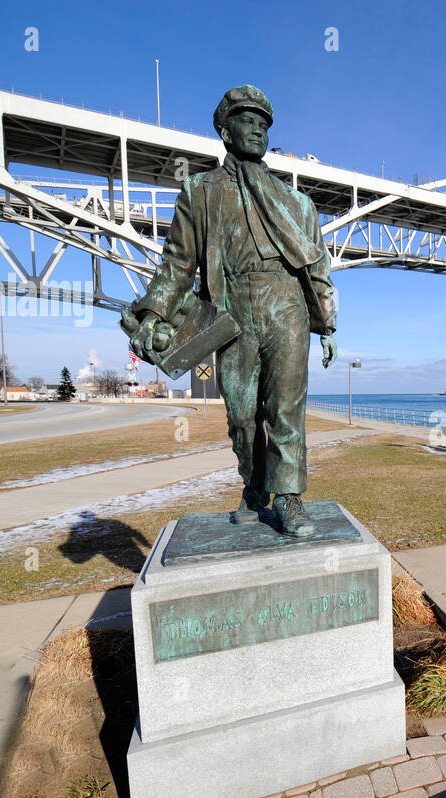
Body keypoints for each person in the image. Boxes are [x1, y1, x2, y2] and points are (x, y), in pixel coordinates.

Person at [126, 85, 337, 536]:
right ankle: (254, 486)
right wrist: (153, 313)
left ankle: (290, 497)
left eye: (264, 123)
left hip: (287, 305)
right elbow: (178, 262)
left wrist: (327, 324)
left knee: (286, 406)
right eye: (247, 120)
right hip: (233, 307)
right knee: (242, 416)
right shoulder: (199, 191)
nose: (258, 128)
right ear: (225, 131)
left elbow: (317, 264)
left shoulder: (297, 203)